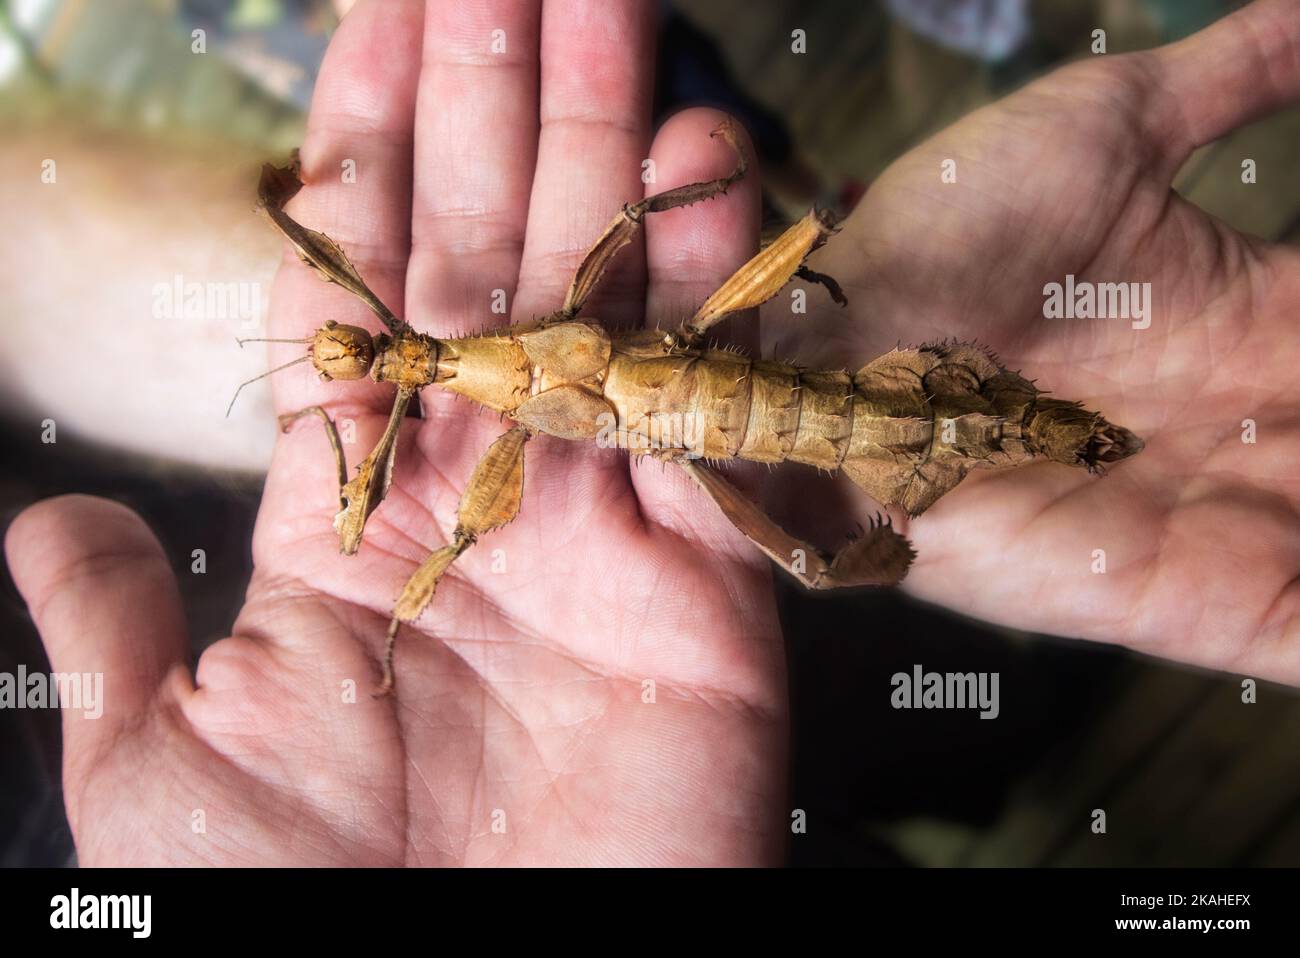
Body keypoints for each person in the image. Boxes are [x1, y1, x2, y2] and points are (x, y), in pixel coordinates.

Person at [6, 0, 1298, 866]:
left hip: (711, 407)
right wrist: (375, 511)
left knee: (819, 526)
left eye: (378, 364)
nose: (380, 369)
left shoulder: (480, 382)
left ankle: (1014, 705)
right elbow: (433, 490)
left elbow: (589, 284)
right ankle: (1008, 701)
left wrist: (385, 527)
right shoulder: (483, 387)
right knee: (808, 552)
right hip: (698, 409)